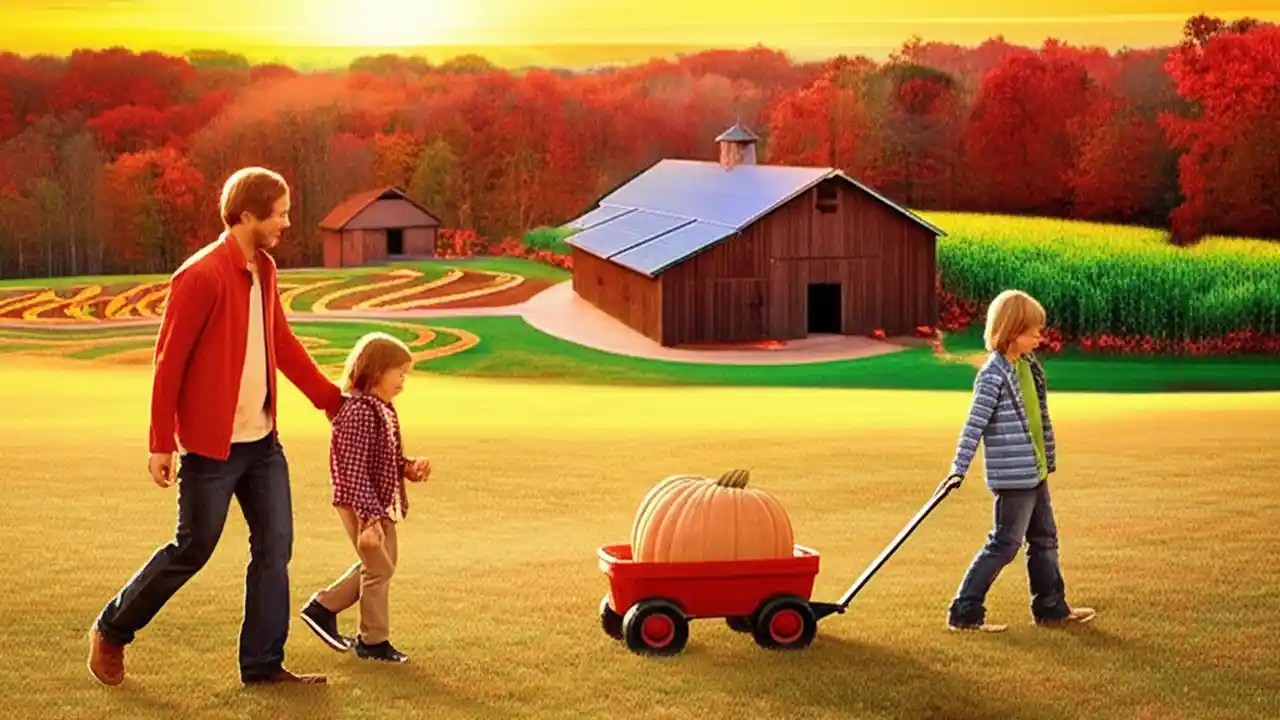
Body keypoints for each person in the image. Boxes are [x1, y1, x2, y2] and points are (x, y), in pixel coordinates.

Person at [88, 166, 347, 686]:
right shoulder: (200, 275)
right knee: (193, 549)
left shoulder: (266, 270)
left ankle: (262, 665)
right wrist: (160, 443)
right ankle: (113, 629)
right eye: (280, 212)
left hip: (262, 444)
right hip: (212, 449)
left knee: (275, 547)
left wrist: (332, 402)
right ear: (247, 214)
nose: (287, 222)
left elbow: (284, 345)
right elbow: (169, 364)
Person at [940, 289, 1096, 632]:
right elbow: (974, 424)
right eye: (1033, 330)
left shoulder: (1026, 366)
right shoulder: (993, 374)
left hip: (1034, 471)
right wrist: (958, 467)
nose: (1040, 336)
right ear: (1011, 331)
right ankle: (964, 612)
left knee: (1044, 539)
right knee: (1005, 544)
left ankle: (1051, 607)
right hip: (1013, 478)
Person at [299, 332, 431, 663]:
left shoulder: (383, 410)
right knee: (379, 568)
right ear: (375, 371)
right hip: (360, 502)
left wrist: (409, 468)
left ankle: (323, 607)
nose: (403, 380)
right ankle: (373, 641)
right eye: (398, 372)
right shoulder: (357, 411)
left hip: (378, 500)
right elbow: (355, 468)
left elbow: (385, 458)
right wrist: (368, 518)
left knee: (383, 566)